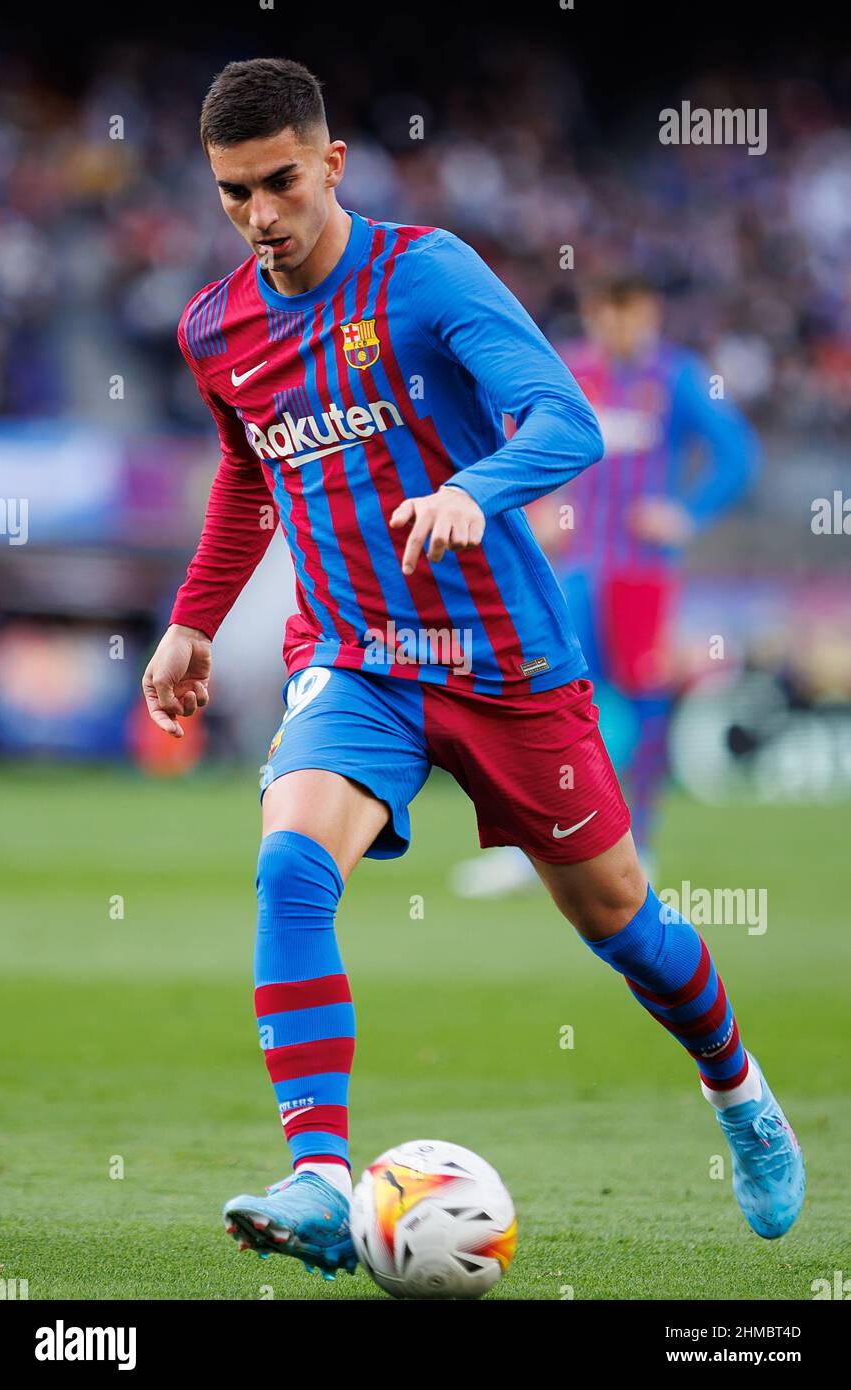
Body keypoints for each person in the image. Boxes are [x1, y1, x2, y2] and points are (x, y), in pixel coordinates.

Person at [142, 57, 804, 1282]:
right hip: (353, 656)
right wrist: (192, 617)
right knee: (290, 861)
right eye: (234, 193)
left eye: (281, 182)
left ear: (331, 162)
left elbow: (563, 420)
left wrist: (466, 489)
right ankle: (319, 1173)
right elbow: (250, 472)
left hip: (503, 662)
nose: (259, 214)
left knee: (620, 920)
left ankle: (738, 1090)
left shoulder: (424, 273)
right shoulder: (213, 329)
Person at [452, 274, 761, 897]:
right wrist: (531, 505)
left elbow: (738, 455)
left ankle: (639, 845)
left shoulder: (675, 378)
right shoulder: (568, 370)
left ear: (650, 312)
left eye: (631, 312)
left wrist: (687, 514)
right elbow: (509, 435)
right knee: (542, 697)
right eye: (606, 312)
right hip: (567, 570)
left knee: (643, 703)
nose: (618, 326)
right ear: (592, 313)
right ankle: (537, 846)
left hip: (641, 572)